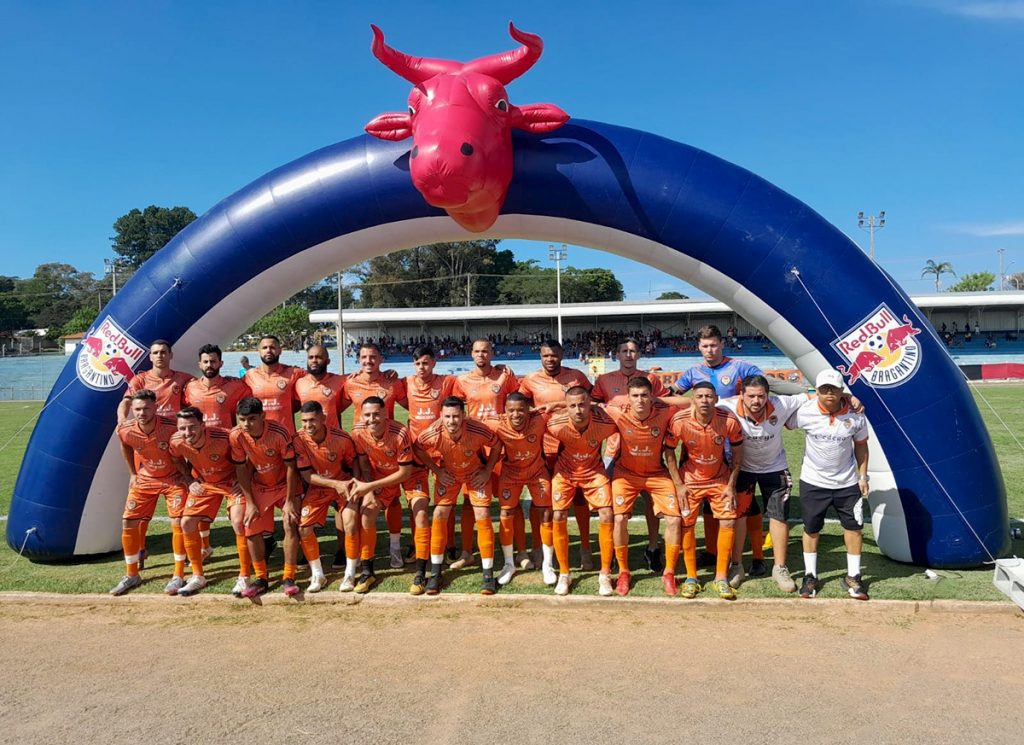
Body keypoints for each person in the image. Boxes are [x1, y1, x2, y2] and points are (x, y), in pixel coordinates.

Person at [671, 324, 764, 569]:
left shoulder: (740, 367)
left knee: (746, 501)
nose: (709, 350)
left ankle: (756, 556)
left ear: (722, 344)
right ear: (698, 347)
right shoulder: (692, 372)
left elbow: (763, 385)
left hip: (735, 447)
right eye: (705, 346)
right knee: (710, 505)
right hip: (702, 450)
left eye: (713, 345)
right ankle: (713, 552)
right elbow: (673, 394)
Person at [714, 375, 808, 592]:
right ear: (741, 395)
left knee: (779, 516)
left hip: (775, 468)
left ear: (768, 396)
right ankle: (737, 566)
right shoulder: (726, 407)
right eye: (751, 396)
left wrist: (848, 400)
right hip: (742, 470)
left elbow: (812, 396)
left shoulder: (782, 404)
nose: (756, 401)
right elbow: (699, 404)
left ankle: (780, 567)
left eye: (761, 396)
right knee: (738, 516)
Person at [787, 370, 870, 600]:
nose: (829, 393)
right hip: (813, 481)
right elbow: (783, 421)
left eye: (833, 389)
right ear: (817, 391)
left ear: (842, 390)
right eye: (824, 389)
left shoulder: (857, 415)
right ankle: (810, 576)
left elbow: (861, 446)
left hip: (847, 482)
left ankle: (853, 577)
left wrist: (862, 477)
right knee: (811, 529)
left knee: (854, 528)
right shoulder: (806, 412)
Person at [591, 337, 670, 573]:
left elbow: (665, 403)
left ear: (638, 355)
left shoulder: (652, 379)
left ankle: (653, 548)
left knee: (650, 502)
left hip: (647, 450)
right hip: (614, 451)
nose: (628, 354)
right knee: (614, 508)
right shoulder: (604, 380)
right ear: (617, 354)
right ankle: (615, 552)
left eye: (632, 351)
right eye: (624, 351)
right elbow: (592, 406)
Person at [414, 396, 503, 595]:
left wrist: (487, 470)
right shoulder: (432, 433)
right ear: (440, 416)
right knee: (438, 515)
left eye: (456, 416)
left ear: (463, 415)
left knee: (482, 515)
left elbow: (497, 445)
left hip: (475, 474)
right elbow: (418, 448)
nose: (451, 421)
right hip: (450, 474)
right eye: (447, 416)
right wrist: (436, 471)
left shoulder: (477, 429)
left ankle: (488, 574)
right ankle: (436, 573)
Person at [518, 339, 594, 572]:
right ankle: (539, 546)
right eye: (545, 356)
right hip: (544, 446)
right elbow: (519, 405)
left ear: (561, 355)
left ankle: (584, 548)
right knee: (541, 498)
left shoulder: (577, 377)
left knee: (580, 498)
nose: (550, 359)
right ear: (540, 357)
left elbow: (592, 401)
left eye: (554, 355)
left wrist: (559, 404)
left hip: (574, 445)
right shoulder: (530, 380)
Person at [605, 377, 686, 597]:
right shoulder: (618, 411)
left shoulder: (663, 412)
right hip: (626, 474)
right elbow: (587, 404)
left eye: (644, 395)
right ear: (628, 398)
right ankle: (623, 572)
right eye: (635, 396)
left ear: (651, 396)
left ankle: (669, 573)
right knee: (619, 518)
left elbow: (690, 403)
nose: (640, 400)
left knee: (674, 519)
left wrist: (659, 399)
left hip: (657, 474)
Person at [669, 382, 745, 600]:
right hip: (690, 480)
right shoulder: (680, 420)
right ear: (693, 399)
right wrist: (679, 485)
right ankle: (692, 577)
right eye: (700, 396)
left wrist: (731, 486)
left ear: (716, 399)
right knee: (687, 524)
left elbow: (739, 455)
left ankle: (720, 577)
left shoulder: (728, 420)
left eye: (709, 396)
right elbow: (669, 453)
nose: (704, 400)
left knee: (728, 521)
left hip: (720, 478)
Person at [109, 390, 189, 596]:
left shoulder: (172, 427)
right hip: (146, 479)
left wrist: (187, 475)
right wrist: (133, 474)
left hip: (173, 479)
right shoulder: (126, 429)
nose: (141, 413)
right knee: (129, 522)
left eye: (146, 408)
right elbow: (125, 447)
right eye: (137, 409)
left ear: (155, 407)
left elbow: (188, 449)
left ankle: (178, 575)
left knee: (179, 523)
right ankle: (132, 574)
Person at [450, 339, 519, 569]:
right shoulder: (462, 381)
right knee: (470, 501)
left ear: (492, 353)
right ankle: (468, 551)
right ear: (471, 354)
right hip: (474, 448)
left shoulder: (505, 376)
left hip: (501, 444)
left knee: (510, 500)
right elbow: (455, 411)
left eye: (486, 351)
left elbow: (517, 403)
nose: (482, 355)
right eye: (477, 351)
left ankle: (518, 551)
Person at [169, 406, 250, 597]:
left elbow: (249, 455)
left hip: (231, 482)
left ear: (202, 425)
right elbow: (175, 458)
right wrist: (189, 480)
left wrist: (244, 479)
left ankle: (245, 576)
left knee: (238, 522)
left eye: (192, 427)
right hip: (204, 482)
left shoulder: (225, 438)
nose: (187, 433)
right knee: (186, 523)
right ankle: (198, 575)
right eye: (182, 428)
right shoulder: (176, 441)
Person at [546, 387, 619, 596]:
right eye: (572, 405)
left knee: (607, 513)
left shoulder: (606, 424)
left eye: (582, 404)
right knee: (558, 514)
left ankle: (604, 574)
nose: (578, 410)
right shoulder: (555, 424)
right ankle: (564, 573)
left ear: (590, 404)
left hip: (594, 472)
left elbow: (624, 419)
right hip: (565, 473)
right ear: (566, 408)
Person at [343, 342, 409, 569]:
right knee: (363, 500)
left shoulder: (392, 382)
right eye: (363, 357)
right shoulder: (350, 382)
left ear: (381, 359)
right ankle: (358, 552)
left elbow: (412, 404)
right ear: (358, 359)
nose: (368, 361)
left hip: (391, 447)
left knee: (394, 499)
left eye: (373, 357)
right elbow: (333, 407)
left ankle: (394, 547)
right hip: (362, 448)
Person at [229, 396, 302, 598]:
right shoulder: (236, 435)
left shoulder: (279, 432)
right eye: (241, 419)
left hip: (284, 485)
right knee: (250, 527)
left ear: (263, 416)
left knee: (290, 522)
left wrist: (289, 500)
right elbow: (241, 469)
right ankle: (261, 578)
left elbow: (291, 467)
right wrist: (250, 502)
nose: (246, 424)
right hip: (260, 486)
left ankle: (289, 577)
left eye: (251, 419)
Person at [347, 397, 417, 593]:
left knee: (408, 503)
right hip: (378, 473)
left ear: (386, 414)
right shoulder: (358, 432)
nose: (372, 419)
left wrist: (371, 486)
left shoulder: (400, 432)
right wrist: (369, 487)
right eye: (367, 415)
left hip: (407, 470)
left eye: (376, 414)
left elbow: (405, 472)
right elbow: (363, 462)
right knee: (367, 513)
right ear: (362, 416)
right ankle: (368, 570)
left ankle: (395, 548)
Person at [485, 392, 555, 586]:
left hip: (537, 472)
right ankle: (509, 563)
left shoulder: (539, 419)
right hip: (511, 474)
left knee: (546, 514)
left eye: (521, 410)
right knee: (506, 513)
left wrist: (551, 404)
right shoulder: (496, 423)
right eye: (511, 411)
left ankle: (547, 564)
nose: (516, 415)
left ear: (528, 410)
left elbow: (571, 404)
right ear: (504, 412)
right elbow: (468, 422)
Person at [291, 401, 359, 593]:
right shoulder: (298, 440)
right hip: (319, 488)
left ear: (323, 418)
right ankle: (318, 574)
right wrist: (334, 484)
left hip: (343, 485)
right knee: (304, 528)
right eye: (304, 421)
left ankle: (350, 573)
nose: (308, 425)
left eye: (312, 420)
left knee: (351, 523)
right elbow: (306, 475)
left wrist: (353, 485)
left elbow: (353, 463)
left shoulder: (342, 438)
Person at [294, 344, 351, 567]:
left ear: (327, 360)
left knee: (339, 504)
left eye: (319, 357)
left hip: (334, 448)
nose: (314, 360)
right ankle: (306, 551)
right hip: (307, 448)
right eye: (311, 357)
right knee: (305, 499)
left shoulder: (340, 381)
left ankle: (341, 550)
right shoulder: (298, 383)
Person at [400, 346, 456, 567]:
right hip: (416, 452)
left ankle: (450, 544)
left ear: (434, 363)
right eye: (417, 364)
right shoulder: (405, 383)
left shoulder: (447, 382)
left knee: (446, 500)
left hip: (442, 451)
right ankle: (416, 545)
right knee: (417, 502)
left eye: (425, 363)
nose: (421, 367)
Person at [118, 339, 195, 422]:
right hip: (149, 429)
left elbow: (202, 396)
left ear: (171, 355)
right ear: (151, 357)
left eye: (163, 352)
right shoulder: (140, 380)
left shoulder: (183, 378)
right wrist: (122, 420)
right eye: (155, 353)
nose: (159, 355)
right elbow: (126, 401)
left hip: (173, 430)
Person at [243, 335, 305, 435]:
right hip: (259, 438)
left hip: (286, 436)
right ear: (258, 351)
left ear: (280, 350)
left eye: (272, 347)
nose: (268, 350)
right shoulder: (250, 375)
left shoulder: (295, 373)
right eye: (264, 348)